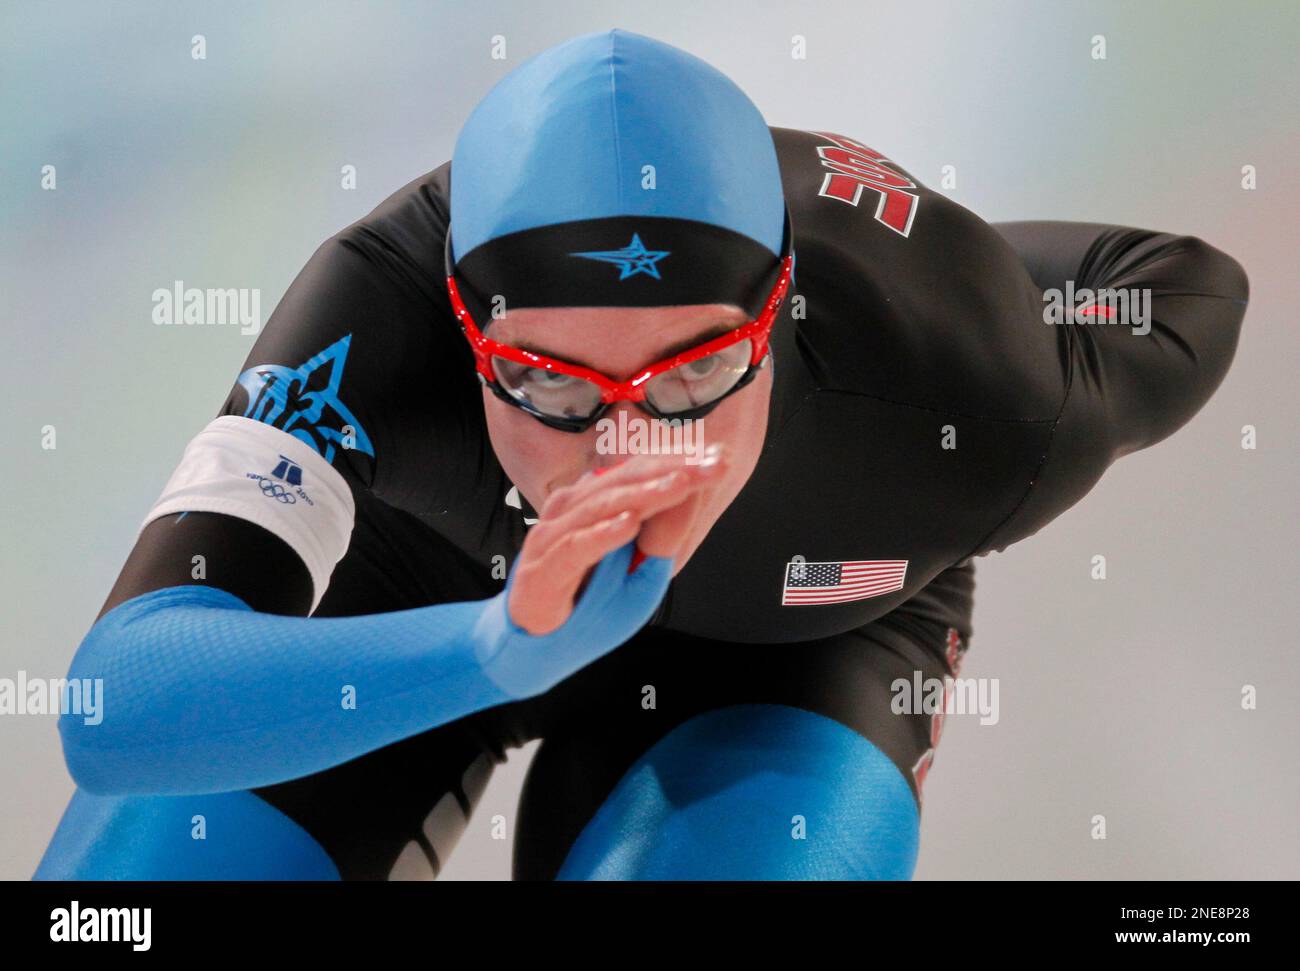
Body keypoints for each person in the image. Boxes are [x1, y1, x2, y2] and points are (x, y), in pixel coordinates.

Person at [35, 28, 1248, 880]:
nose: (625, 448)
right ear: (463, 332)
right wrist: (487, 647)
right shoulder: (378, 308)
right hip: (424, 579)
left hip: (790, 653)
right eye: (550, 384)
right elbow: (115, 705)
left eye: (693, 374)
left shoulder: (968, 390)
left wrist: (950, 248)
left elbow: (1187, 287)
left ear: (780, 316)